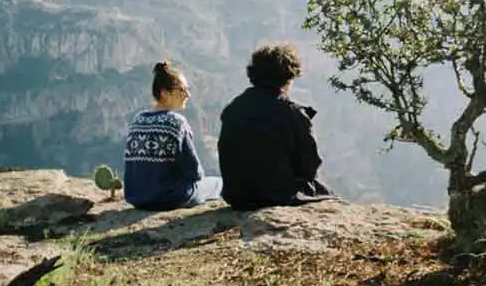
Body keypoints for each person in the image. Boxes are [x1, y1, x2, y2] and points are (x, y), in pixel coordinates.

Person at [217, 42, 335, 210]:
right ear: (288, 77)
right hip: (278, 196)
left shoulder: (233, 108)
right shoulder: (292, 113)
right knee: (328, 194)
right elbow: (310, 164)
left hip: (237, 196)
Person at [122, 61, 222, 211]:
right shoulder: (176, 122)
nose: (187, 94)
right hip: (169, 198)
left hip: (137, 197)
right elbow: (195, 171)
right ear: (164, 93)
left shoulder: (137, 119)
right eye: (182, 89)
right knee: (218, 183)